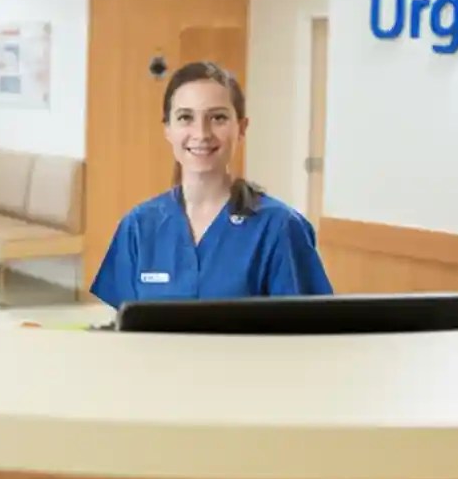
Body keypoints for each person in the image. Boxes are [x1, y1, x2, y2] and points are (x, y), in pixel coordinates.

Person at [90, 60, 333, 309]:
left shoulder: (278, 227)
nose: (202, 133)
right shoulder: (139, 227)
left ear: (241, 127)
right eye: (185, 117)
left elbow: (308, 332)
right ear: (168, 129)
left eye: (218, 118)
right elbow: (120, 332)